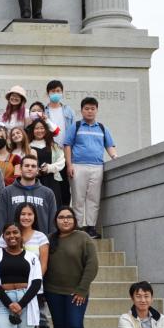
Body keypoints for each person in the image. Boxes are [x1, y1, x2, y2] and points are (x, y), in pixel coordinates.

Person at [0, 202, 51, 328]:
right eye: (23, 214)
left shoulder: (41, 237)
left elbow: (43, 265)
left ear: (35, 216)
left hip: (33, 290)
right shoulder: (8, 234)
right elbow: (0, 261)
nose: (26, 217)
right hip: (9, 291)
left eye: (29, 214)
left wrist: (29, 286)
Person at [45, 206, 99, 328]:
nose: (65, 220)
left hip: (77, 292)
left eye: (69, 217)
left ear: (74, 220)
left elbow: (92, 265)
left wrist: (82, 289)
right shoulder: (49, 239)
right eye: (61, 217)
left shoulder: (83, 238)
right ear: (56, 221)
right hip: (53, 292)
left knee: (75, 326)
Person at [63, 97, 118, 238]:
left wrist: (115, 157)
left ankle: (91, 227)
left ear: (97, 110)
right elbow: (67, 145)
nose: (89, 111)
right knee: (78, 198)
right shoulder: (75, 126)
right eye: (87, 108)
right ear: (81, 110)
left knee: (93, 198)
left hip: (97, 167)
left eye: (92, 109)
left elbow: (109, 146)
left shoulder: (102, 128)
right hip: (78, 166)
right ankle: (79, 227)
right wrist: (69, 165)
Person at [0, 154, 57, 235]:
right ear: (20, 169)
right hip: (13, 243)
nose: (30, 168)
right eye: (27, 166)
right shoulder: (7, 191)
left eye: (33, 166)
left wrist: (52, 244)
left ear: (37, 170)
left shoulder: (48, 193)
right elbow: (2, 220)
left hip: (40, 244)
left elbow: (53, 223)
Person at [27, 119, 65, 205]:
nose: (39, 131)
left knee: (53, 206)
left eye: (42, 128)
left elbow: (61, 161)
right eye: (36, 128)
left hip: (52, 180)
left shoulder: (53, 145)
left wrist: (49, 168)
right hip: (35, 181)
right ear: (32, 130)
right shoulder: (28, 146)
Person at [43, 80, 76, 147]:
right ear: (47, 93)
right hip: (48, 148)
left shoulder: (69, 111)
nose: (56, 93)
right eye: (53, 91)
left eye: (58, 91)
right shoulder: (43, 111)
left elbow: (74, 131)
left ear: (62, 92)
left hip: (66, 149)